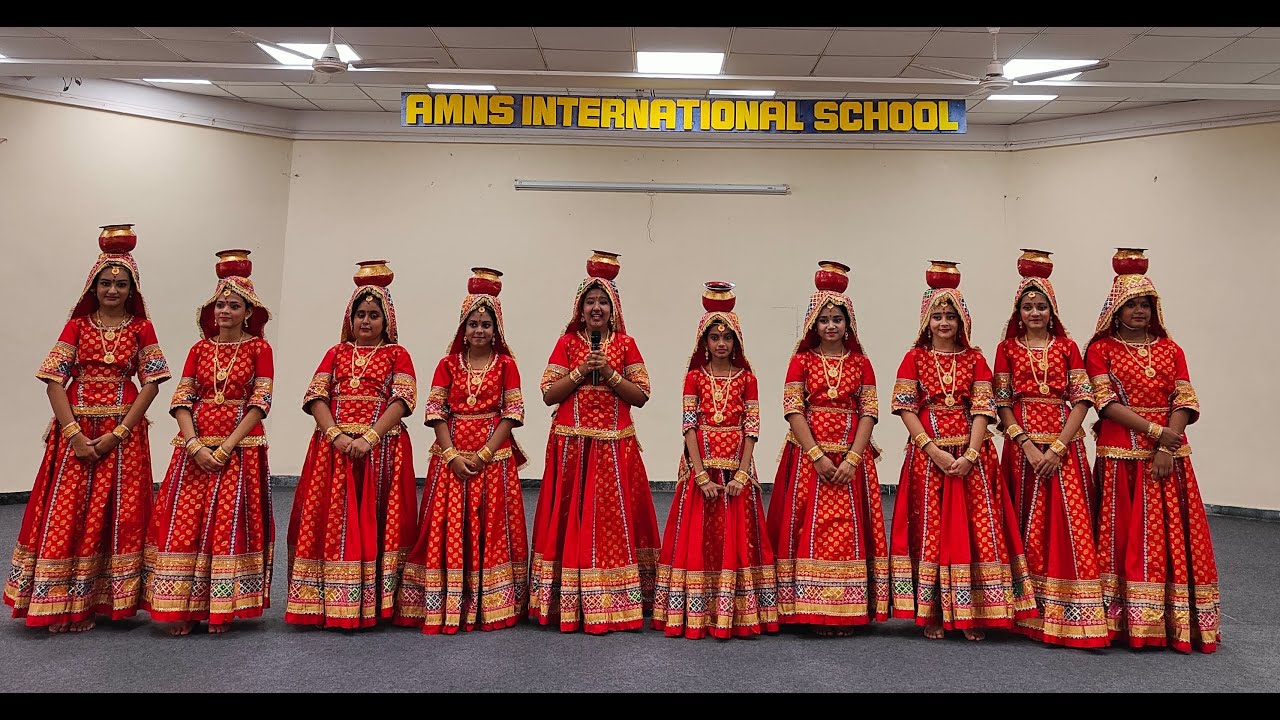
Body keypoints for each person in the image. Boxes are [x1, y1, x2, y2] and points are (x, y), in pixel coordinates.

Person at [5, 224, 172, 633]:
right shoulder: (77, 327)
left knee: (121, 515)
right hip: (75, 430)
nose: (112, 290)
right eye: (105, 283)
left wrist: (119, 432)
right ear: (92, 287)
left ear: (132, 289)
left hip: (123, 433)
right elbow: (52, 379)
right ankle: (62, 602)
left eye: (120, 283)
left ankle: (104, 603)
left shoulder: (140, 329)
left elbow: (151, 383)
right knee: (68, 512)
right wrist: (73, 434)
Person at [889, 260, 1036, 641]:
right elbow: (905, 407)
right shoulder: (914, 358)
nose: (943, 323)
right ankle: (934, 611)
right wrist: (933, 451)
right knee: (932, 531)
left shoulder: (975, 359)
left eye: (950, 316)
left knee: (977, 530)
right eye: (937, 316)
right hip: (927, 455)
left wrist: (970, 455)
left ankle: (977, 611)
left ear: (962, 321)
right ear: (926, 320)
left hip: (974, 457)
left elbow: (984, 408)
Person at [1084, 248, 1219, 653]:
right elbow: (1105, 403)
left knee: (1171, 537)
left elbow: (1186, 398)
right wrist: (1159, 433)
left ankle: (1171, 622)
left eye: (1144, 304)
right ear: (1116, 310)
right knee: (1121, 538)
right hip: (1121, 456)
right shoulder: (1101, 350)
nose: (1138, 311)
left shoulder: (1170, 348)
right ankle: (1121, 622)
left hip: (1168, 459)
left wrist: (1168, 443)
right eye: (1130, 305)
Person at [141, 249, 275, 636]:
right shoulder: (198, 349)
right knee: (184, 523)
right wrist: (195, 444)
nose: (225, 312)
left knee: (227, 526)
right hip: (194, 447)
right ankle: (178, 607)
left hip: (240, 447)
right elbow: (181, 399)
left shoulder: (258, 349)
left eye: (234, 306)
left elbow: (260, 402)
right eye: (220, 305)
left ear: (249, 312)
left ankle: (220, 608)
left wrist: (227, 446)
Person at [528, 250, 661, 634]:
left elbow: (642, 395)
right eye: (590, 301)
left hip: (615, 447)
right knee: (569, 523)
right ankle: (564, 601)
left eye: (603, 301)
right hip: (571, 446)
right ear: (580, 307)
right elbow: (549, 394)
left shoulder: (625, 344)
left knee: (610, 524)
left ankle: (613, 600)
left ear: (613, 308)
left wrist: (612, 375)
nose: (597, 307)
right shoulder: (568, 343)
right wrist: (580, 370)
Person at [285, 260, 418, 629]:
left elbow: (403, 400)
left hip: (381, 450)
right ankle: (329, 601)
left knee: (377, 522)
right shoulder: (336, 352)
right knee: (332, 522)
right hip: (334, 450)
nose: (366, 322)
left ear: (386, 320)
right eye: (360, 314)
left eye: (374, 315)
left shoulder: (397, 354)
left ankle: (376, 601)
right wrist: (337, 436)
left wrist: (370, 437)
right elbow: (316, 396)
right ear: (350, 317)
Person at [395, 267, 529, 634]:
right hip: (450, 457)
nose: (479, 330)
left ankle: (491, 603)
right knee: (447, 528)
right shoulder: (447, 365)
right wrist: (452, 454)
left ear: (496, 329)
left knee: (491, 528)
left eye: (486, 324)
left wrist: (484, 454)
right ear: (462, 329)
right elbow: (436, 410)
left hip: (493, 458)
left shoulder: (506, 366)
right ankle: (447, 598)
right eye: (472, 324)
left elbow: (513, 412)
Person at [764, 261, 889, 637]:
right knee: (807, 526)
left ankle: (845, 611)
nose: (831, 326)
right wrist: (816, 455)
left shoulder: (862, 364)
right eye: (824, 320)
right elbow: (792, 409)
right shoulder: (800, 361)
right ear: (812, 325)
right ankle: (808, 609)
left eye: (837, 319)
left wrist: (852, 458)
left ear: (848, 324)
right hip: (808, 457)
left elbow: (869, 412)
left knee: (848, 530)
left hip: (851, 458)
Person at [993, 249, 1108, 648]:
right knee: (1020, 523)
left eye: (1041, 306)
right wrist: (1024, 443)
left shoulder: (1068, 347)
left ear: (1052, 309)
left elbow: (1082, 398)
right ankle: (1023, 611)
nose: (1035, 312)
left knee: (1070, 523)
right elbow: (1002, 403)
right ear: (1018, 312)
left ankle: (1067, 611)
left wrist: (1059, 446)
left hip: (1065, 447)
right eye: (1028, 306)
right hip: (1022, 448)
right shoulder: (1006, 349)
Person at [652, 282, 779, 639]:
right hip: (701, 467)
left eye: (727, 337)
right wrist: (700, 474)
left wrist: (742, 472)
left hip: (738, 467)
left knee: (736, 537)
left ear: (736, 343)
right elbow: (689, 426)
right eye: (714, 337)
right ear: (703, 343)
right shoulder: (693, 378)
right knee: (697, 537)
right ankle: (694, 612)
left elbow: (751, 427)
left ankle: (735, 613)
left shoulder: (747, 379)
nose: (721, 343)